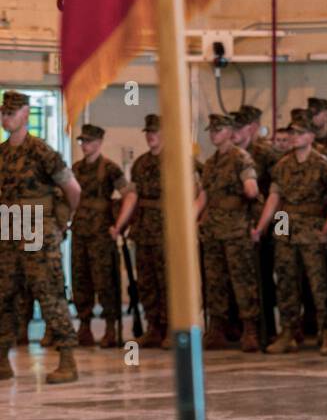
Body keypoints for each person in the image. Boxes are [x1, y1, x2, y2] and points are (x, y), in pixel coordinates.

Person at [0, 90, 81, 384]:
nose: (6, 117)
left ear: (25, 114)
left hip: (35, 223)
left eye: (12, 112)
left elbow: (73, 190)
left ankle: (68, 360)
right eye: (3, 112)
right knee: (4, 293)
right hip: (9, 224)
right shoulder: (2, 153)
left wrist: (61, 222)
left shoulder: (41, 151)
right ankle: (2, 360)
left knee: (47, 291)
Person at [252, 111, 327, 354]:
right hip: (286, 227)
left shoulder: (323, 164)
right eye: (292, 133)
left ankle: (326, 333)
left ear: (311, 136)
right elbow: (274, 198)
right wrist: (260, 228)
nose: (294, 137)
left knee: (319, 285)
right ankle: (289, 332)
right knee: (286, 283)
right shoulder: (282, 166)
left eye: (300, 133)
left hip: (312, 230)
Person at [111, 114, 205, 347]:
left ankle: (172, 328)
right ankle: (154, 326)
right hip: (144, 230)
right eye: (148, 132)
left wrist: (189, 221)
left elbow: (199, 192)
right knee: (147, 280)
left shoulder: (179, 159)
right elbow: (132, 195)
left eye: (155, 132)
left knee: (169, 281)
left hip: (168, 228)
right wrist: (120, 224)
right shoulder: (141, 163)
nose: (151, 136)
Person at [199, 112, 261, 351]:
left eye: (219, 130)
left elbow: (252, 190)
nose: (215, 134)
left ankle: (250, 329)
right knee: (215, 280)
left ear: (230, 132)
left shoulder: (240, 158)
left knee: (242, 280)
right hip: (213, 229)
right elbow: (204, 196)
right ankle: (217, 328)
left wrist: (246, 188)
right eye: (212, 131)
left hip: (235, 229)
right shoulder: (211, 162)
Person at [70, 123, 126, 348]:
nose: (85, 145)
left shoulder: (110, 168)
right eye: (83, 141)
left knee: (105, 282)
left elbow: (128, 194)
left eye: (90, 141)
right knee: (80, 280)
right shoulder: (76, 169)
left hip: (101, 235)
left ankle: (110, 327)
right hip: (80, 232)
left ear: (100, 143)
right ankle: (84, 326)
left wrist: (119, 225)